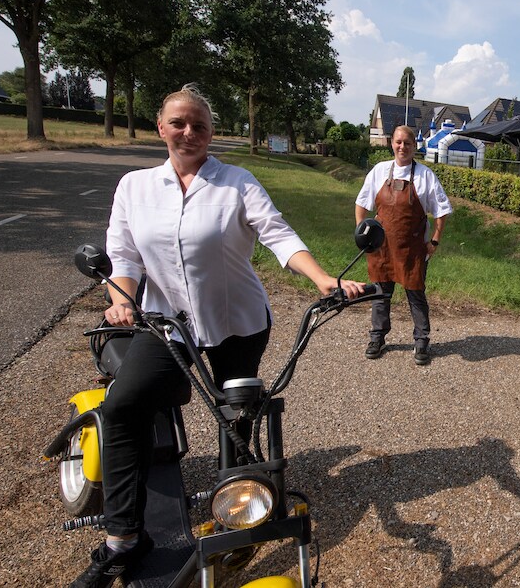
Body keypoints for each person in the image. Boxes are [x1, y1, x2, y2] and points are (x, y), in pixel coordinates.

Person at [72, 85, 365, 588]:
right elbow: (123, 257)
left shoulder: (237, 182)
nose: (189, 132)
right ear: (161, 127)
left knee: (237, 419)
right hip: (166, 322)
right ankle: (123, 539)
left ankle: (239, 513)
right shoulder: (134, 187)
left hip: (237, 321)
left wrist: (323, 280)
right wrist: (120, 299)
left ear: (211, 133)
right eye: (179, 123)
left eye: (200, 125)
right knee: (123, 406)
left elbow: (276, 233)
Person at [355, 125, 453, 366]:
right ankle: (377, 337)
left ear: (414, 146)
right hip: (381, 248)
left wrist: (435, 239)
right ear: (392, 144)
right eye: (398, 142)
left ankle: (421, 340)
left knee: (416, 295)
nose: (402, 147)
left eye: (407, 143)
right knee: (380, 295)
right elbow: (361, 203)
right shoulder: (379, 171)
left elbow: (442, 210)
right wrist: (362, 233)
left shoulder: (425, 175)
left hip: (413, 250)